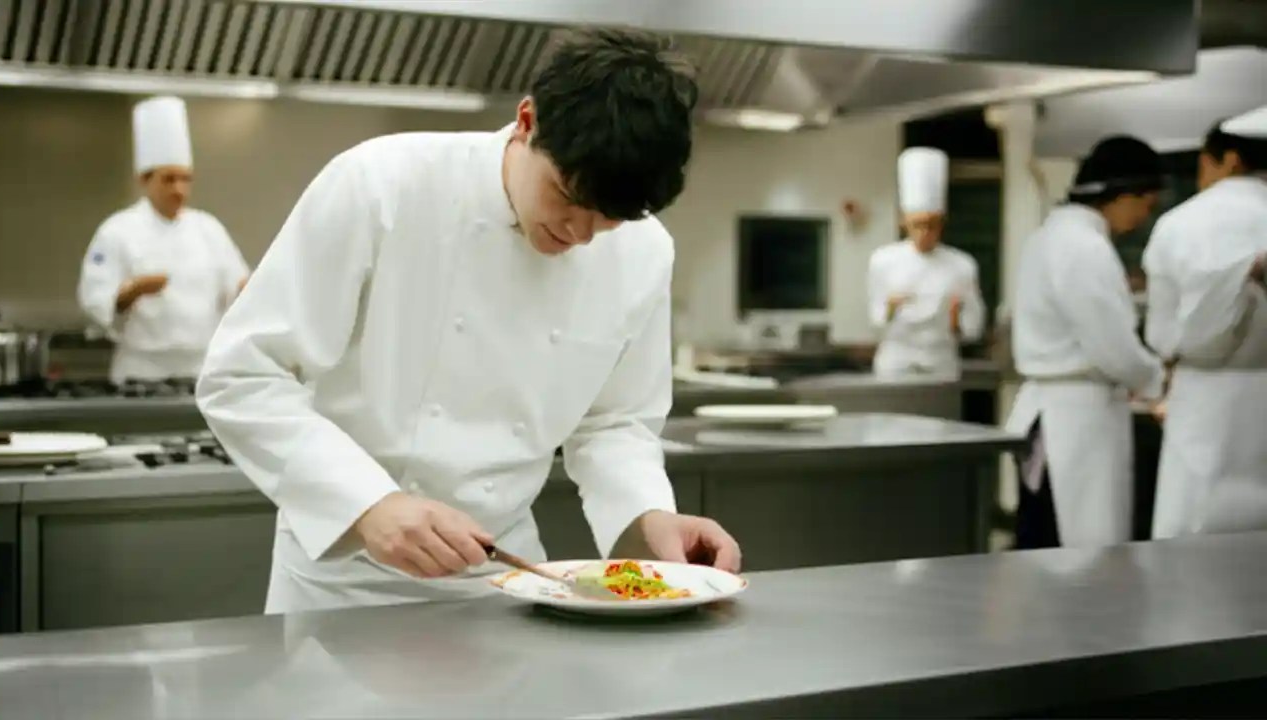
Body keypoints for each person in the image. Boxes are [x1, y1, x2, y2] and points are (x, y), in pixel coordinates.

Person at [196, 29, 742, 614]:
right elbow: (244, 375)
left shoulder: (644, 251)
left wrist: (648, 516)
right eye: (566, 195)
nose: (580, 234)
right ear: (527, 121)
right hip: (343, 583)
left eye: (607, 219)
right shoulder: (381, 184)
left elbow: (615, 424)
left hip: (505, 577)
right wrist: (367, 504)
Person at [1006, 136, 1167, 549]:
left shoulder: (1048, 236)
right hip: (1075, 420)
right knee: (1078, 551)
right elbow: (1112, 345)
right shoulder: (1084, 246)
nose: (1143, 218)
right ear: (1123, 194)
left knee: (1045, 542)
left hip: (1050, 411)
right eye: (1145, 205)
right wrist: (1157, 383)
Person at [1143, 105, 1267, 538]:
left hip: (1203, 405)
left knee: (1193, 544)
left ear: (1229, 160)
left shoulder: (1178, 224)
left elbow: (1160, 336)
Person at [77, 96, 249, 384]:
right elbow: (94, 299)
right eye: (169, 179)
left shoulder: (208, 228)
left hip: (201, 371)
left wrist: (251, 288)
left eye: (185, 179)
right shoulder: (117, 230)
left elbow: (238, 285)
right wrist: (131, 291)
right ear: (145, 180)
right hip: (141, 372)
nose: (179, 189)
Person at [868, 147, 986, 378]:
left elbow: (973, 328)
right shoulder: (883, 260)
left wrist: (956, 320)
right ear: (904, 223)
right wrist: (890, 307)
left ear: (942, 223)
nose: (925, 232)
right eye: (917, 225)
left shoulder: (962, 265)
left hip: (940, 362)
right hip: (896, 362)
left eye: (931, 225)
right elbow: (875, 320)